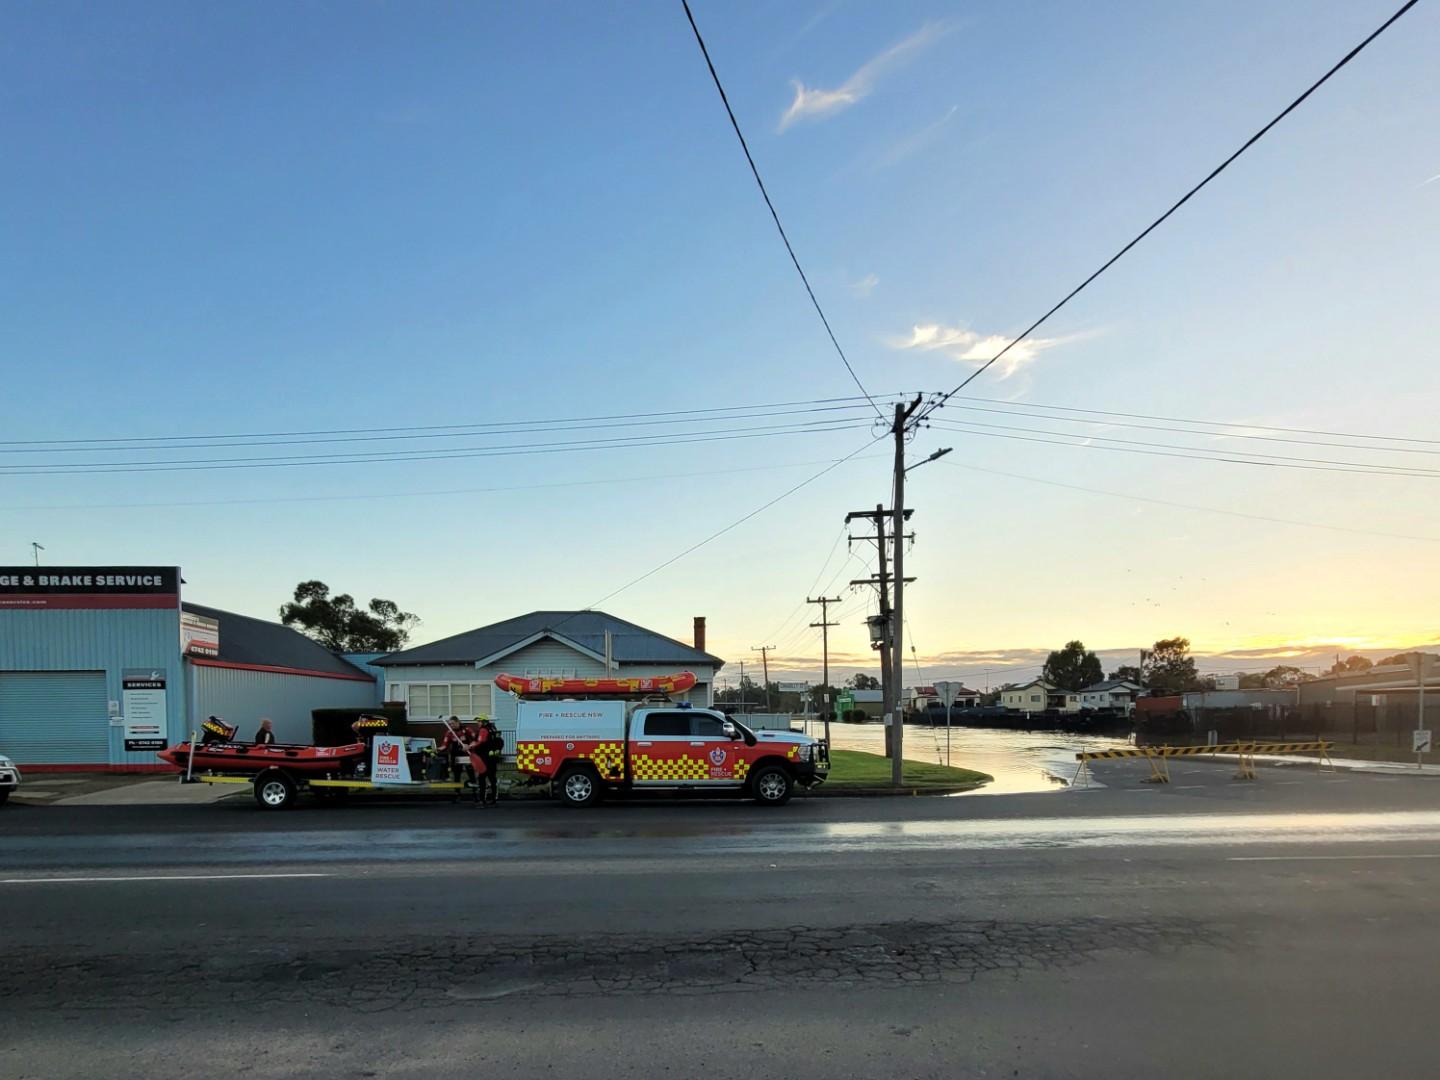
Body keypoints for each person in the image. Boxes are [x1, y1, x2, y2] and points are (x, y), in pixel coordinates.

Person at [480, 719, 503, 806]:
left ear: (484, 722)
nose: (478, 723)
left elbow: (480, 743)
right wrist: (497, 750)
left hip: (486, 759)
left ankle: (483, 799)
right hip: (491, 759)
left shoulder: (484, 731)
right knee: (492, 779)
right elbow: (500, 742)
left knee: (482, 778)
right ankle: (493, 799)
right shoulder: (493, 730)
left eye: (479, 722)